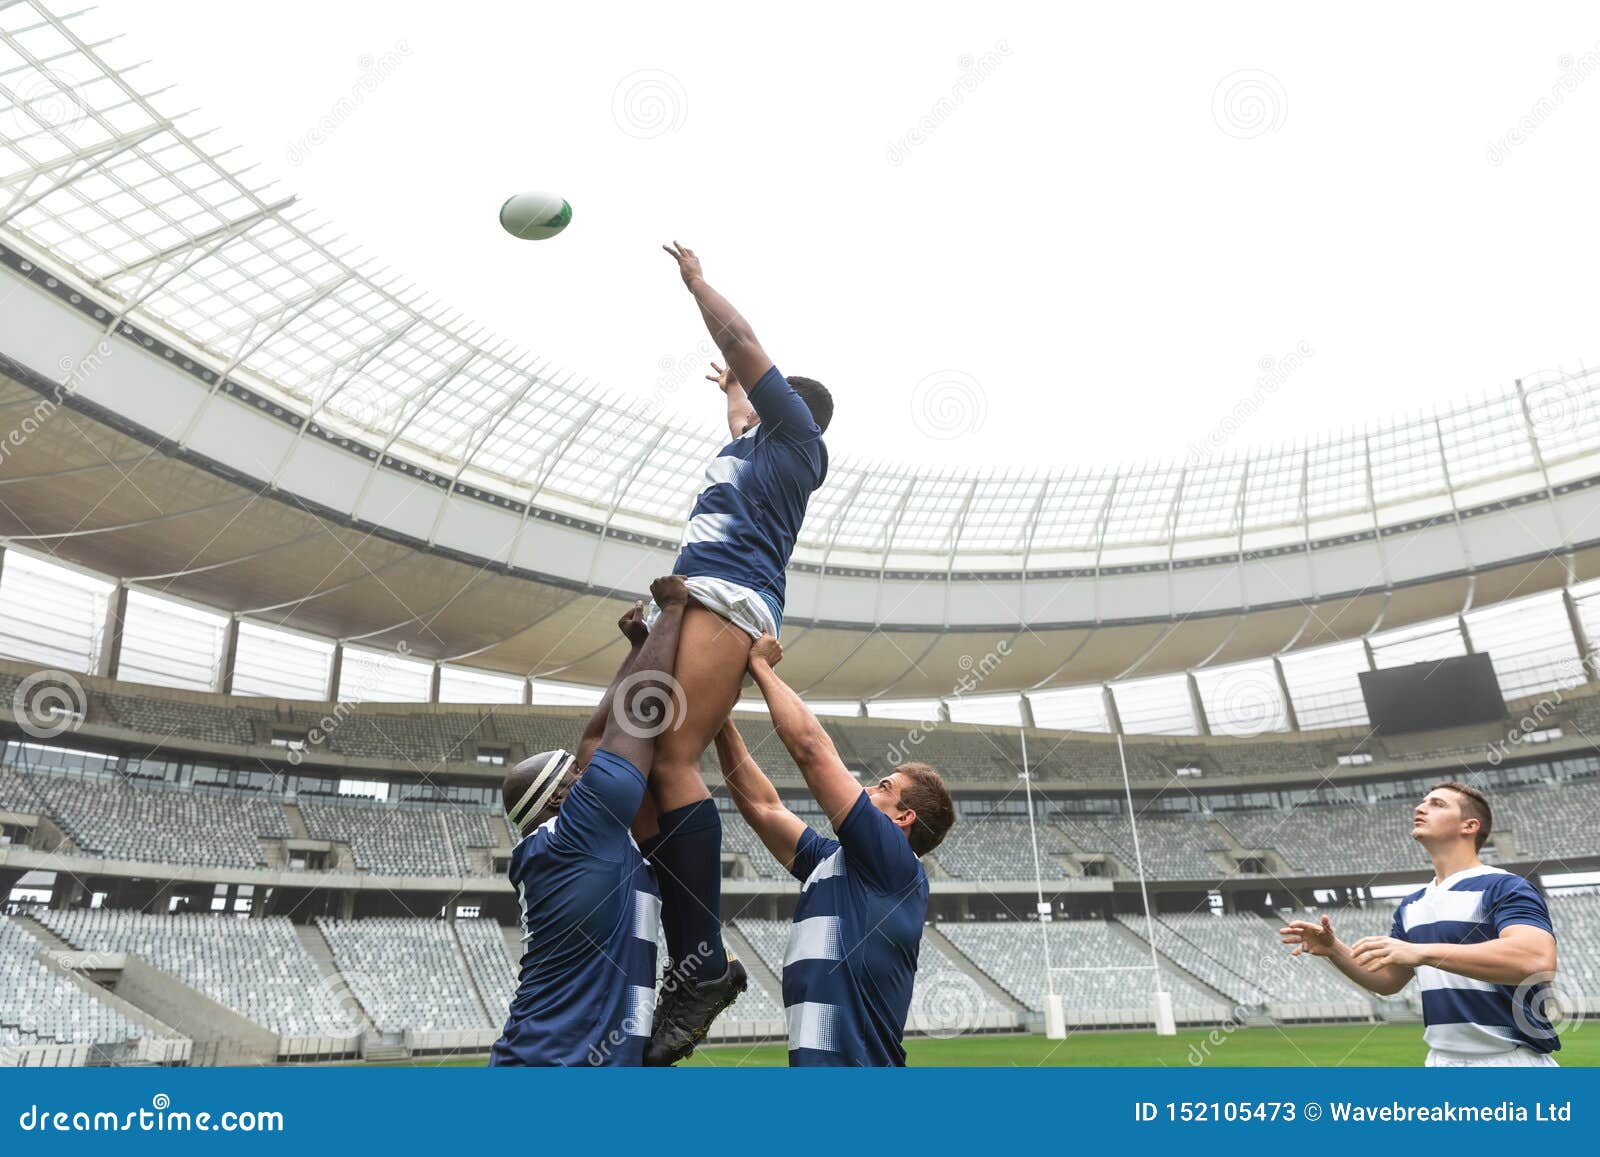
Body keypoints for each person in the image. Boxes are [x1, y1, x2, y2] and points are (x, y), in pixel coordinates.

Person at [640, 242, 833, 1064]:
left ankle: (706, 961)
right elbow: (741, 404)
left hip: (728, 597)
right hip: (695, 594)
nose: (747, 403)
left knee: (676, 759)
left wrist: (696, 284)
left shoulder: (796, 446)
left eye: (759, 399)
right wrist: (730, 396)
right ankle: (673, 939)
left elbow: (744, 341)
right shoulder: (750, 442)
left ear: (789, 409)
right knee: (641, 768)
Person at [708, 634, 955, 1066]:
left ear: (903, 819)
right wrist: (719, 716)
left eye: (883, 788)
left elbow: (812, 749)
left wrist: (761, 667)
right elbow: (763, 807)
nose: (864, 789)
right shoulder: (836, 863)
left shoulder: (894, 865)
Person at [489, 575, 689, 1067]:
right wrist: (674, 611)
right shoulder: (576, 834)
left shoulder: (563, 841)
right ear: (559, 796)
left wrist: (637, 648)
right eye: (576, 774)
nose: (588, 770)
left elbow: (596, 737)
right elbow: (635, 719)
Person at [1279, 780, 1560, 1066]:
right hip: (1441, 1061)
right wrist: (1334, 949)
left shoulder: (1504, 886)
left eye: (1437, 804)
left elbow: (1536, 961)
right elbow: (1388, 982)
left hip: (1508, 1062)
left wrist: (1423, 952)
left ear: (1469, 826)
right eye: (1423, 802)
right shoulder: (1411, 904)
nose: (1420, 807)